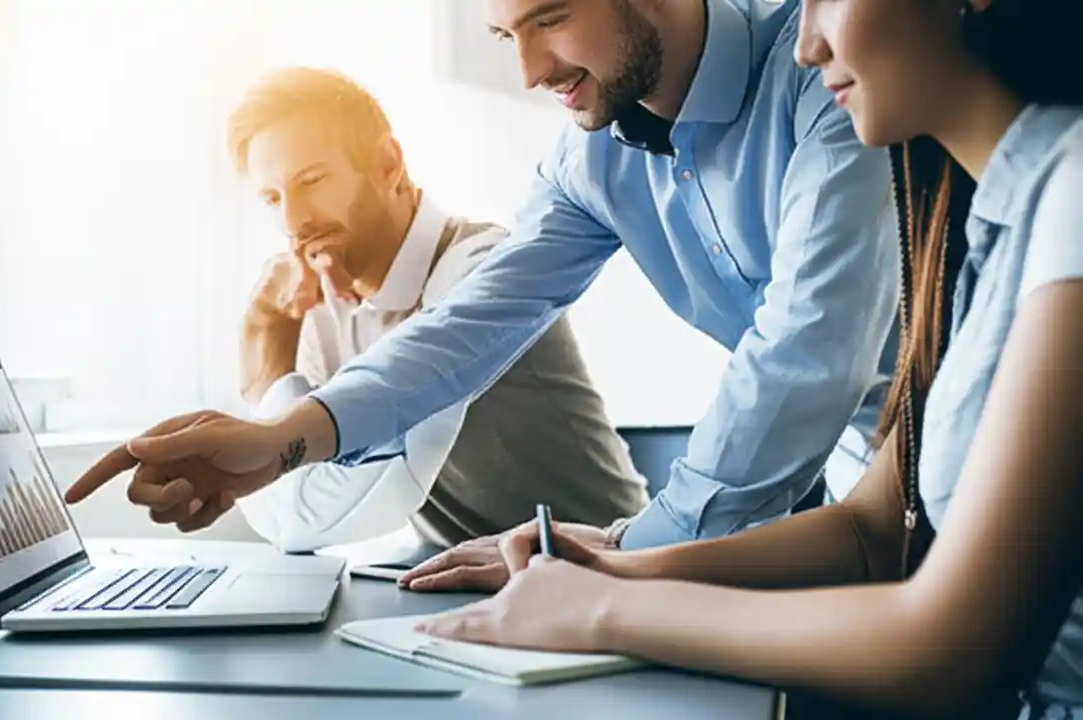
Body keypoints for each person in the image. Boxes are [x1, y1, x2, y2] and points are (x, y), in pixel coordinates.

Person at [64, 0, 902, 578]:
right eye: (508, 34)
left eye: (551, 17)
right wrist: (288, 435)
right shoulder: (593, 160)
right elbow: (470, 325)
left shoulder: (826, 70)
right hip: (855, 503)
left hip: (962, 458)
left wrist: (632, 552)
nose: (533, 69)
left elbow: (806, 354)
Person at [411, 1, 1083, 717]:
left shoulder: (1071, 196)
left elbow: (957, 650)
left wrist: (602, 609)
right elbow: (877, 530)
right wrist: (619, 564)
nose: (806, 46)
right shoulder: (986, 220)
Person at [226, 67, 648, 551]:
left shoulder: (479, 270)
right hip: (479, 590)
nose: (292, 220)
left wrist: (265, 344)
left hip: (610, 575)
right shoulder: (321, 308)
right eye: (272, 197)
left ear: (388, 164)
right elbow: (293, 503)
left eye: (312, 180)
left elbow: (307, 521)